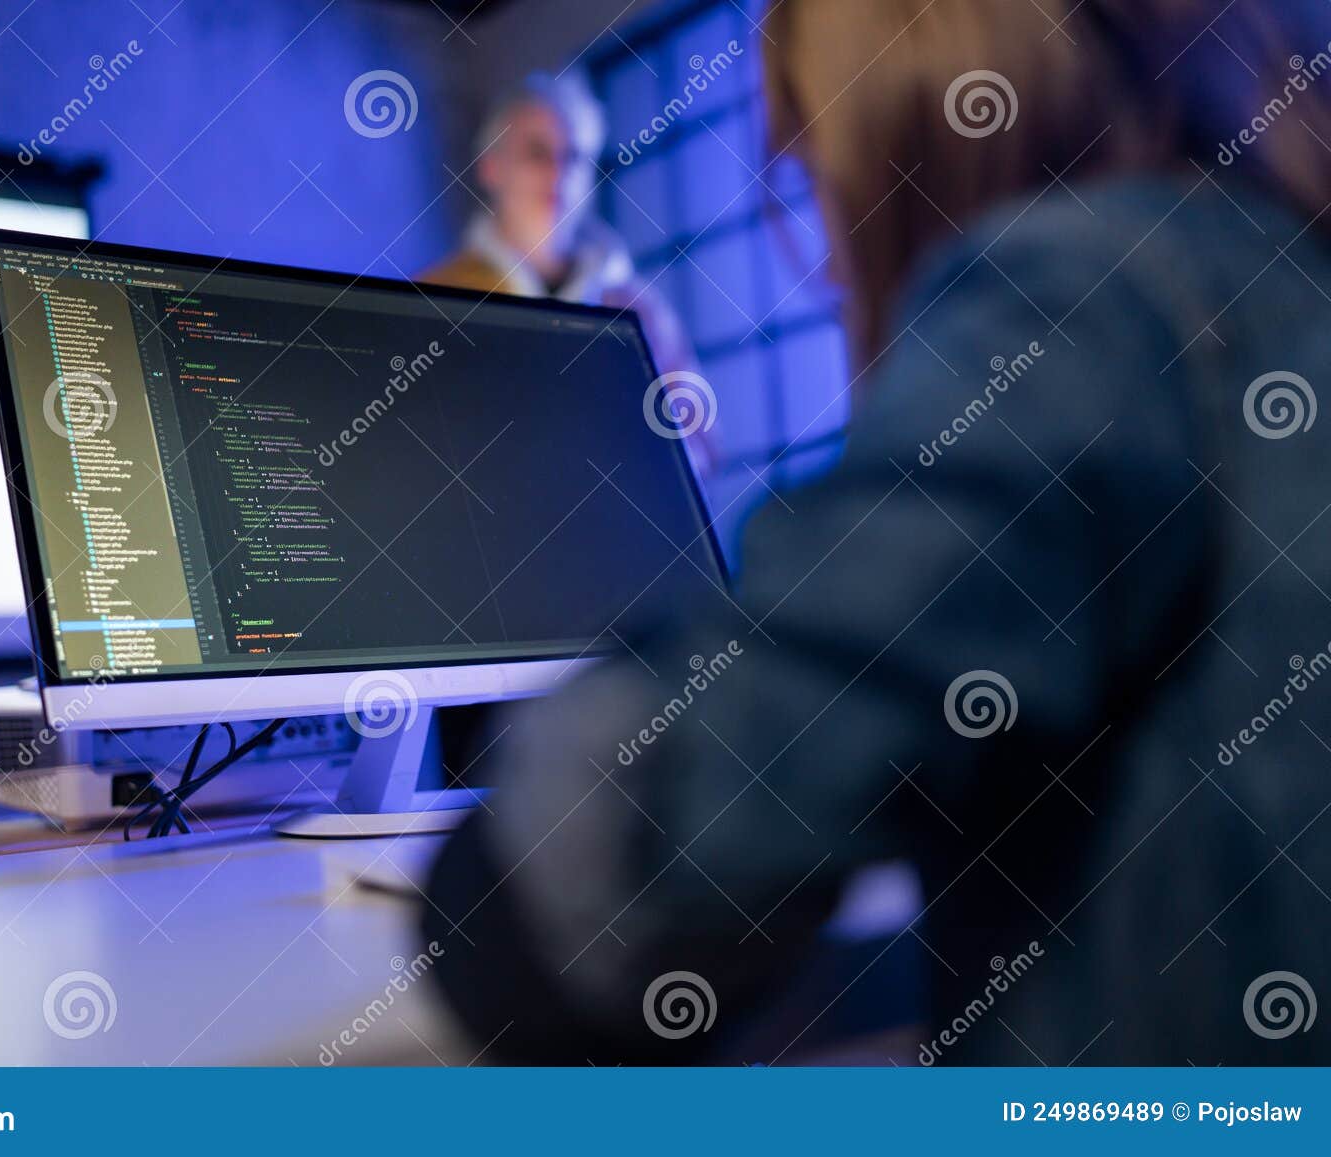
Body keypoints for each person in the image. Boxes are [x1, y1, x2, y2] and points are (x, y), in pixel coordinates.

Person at [421, 0, 1331, 1065]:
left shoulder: (1090, 288)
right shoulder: (1267, 280)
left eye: (805, 172)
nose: (817, 258)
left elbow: (622, 890)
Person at [421, 73, 714, 473]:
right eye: (537, 153)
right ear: (491, 167)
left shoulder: (637, 306)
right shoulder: (435, 298)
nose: (557, 175)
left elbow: (700, 446)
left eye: (573, 157)